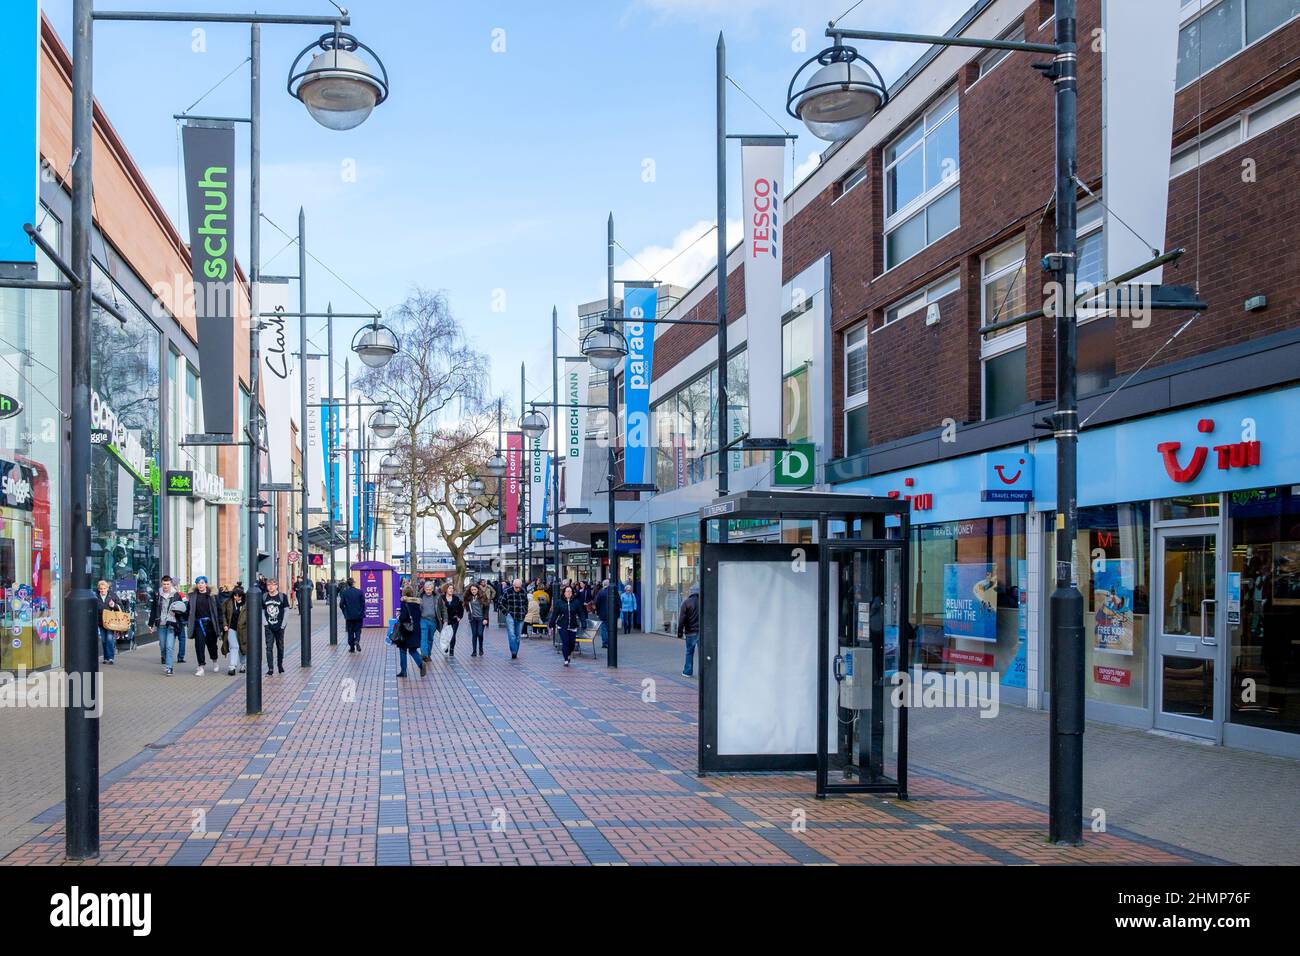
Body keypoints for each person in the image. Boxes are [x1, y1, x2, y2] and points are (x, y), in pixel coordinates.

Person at [187, 576, 222, 676]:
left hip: (210, 624)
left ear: (206, 584)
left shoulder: (212, 596)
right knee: (199, 646)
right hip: (198, 624)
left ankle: (215, 661)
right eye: (198, 583)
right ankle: (201, 667)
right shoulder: (193, 596)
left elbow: (219, 611)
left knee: (212, 646)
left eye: (202, 583)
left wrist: (220, 624)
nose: (200, 585)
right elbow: (189, 610)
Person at [148, 575, 183, 675]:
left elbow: (181, 610)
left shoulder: (176, 595)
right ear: (161, 584)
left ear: (171, 584)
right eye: (164, 584)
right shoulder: (157, 594)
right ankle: (164, 657)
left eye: (168, 584)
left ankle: (169, 667)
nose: (166, 586)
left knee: (169, 646)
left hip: (172, 624)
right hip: (161, 624)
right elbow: (154, 609)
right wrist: (151, 624)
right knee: (163, 646)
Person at [549, 584, 585, 666]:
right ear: (564, 593)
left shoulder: (576, 602)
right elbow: (555, 614)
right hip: (562, 625)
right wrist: (551, 624)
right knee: (565, 642)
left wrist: (583, 623)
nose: (569, 593)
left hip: (573, 625)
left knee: (572, 643)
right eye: (567, 591)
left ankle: (569, 654)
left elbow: (581, 613)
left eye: (570, 591)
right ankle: (566, 659)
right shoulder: (559, 602)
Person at [395, 583, 426, 678]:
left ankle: (403, 671)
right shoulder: (417, 603)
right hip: (416, 629)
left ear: (404, 593)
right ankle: (421, 663)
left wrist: (398, 616)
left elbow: (404, 617)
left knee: (402, 649)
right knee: (412, 650)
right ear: (412, 593)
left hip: (406, 630)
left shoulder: (404, 603)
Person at [262, 579, 290, 675]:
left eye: (273, 585)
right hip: (268, 626)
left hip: (280, 626)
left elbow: (286, 610)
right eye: (268, 585)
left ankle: (280, 665)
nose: (270, 587)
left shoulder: (282, 596)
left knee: (280, 647)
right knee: (269, 647)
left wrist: (283, 625)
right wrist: (265, 623)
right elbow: (262, 610)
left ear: (277, 586)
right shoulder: (264, 596)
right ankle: (270, 668)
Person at [499, 578, 529, 660]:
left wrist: (525, 611)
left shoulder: (523, 592)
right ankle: (514, 652)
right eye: (516, 587)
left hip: (521, 616)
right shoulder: (507, 592)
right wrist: (506, 612)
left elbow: (526, 603)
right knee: (512, 634)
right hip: (511, 615)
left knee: (518, 636)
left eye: (519, 587)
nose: (518, 589)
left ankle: (515, 651)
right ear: (513, 585)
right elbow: (500, 603)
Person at [223, 584, 248, 674]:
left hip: (243, 629)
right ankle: (232, 667)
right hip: (232, 628)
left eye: (238, 596)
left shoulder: (247, 604)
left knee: (243, 647)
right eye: (235, 595)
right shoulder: (228, 602)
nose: (236, 597)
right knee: (234, 646)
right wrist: (225, 624)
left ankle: (243, 665)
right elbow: (223, 614)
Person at [677, 583, 701, 678]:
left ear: (691, 592)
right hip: (701, 632)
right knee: (702, 654)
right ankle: (703, 673)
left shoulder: (686, 603)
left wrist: (679, 632)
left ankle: (687, 671)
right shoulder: (704, 602)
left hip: (690, 632)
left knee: (689, 652)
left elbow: (681, 619)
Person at [94, 580, 119, 665]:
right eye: (101, 589)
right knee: (104, 640)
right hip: (100, 622)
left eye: (104, 588)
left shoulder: (112, 595)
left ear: (107, 588)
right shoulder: (95, 596)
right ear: (99, 589)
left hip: (110, 622)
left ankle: (111, 658)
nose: (103, 590)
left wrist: (114, 605)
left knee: (109, 639)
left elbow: (120, 606)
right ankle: (105, 658)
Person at [436, 582, 464, 657]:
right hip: (444, 620)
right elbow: (438, 608)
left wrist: (459, 617)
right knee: (445, 635)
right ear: (446, 589)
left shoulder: (456, 598)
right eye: (449, 588)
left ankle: (452, 650)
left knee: (452, 635)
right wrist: (440, 618)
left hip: (454, 620)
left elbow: (461, 609)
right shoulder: (441, 598)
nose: (451, 590)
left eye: (452, 588)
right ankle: (446, 647)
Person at [338, 577, 365, 652]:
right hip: (358, 615)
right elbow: (363, 604)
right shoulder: (360, 592)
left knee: (350, 631)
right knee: (358, 630)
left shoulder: (345, 593)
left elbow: (341, 604)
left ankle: (352, 647)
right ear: (353, 583)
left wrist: (345, 612)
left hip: (349, 616)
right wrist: (362, 612)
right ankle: (357, 640)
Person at [418, 580, 439, 662]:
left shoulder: (437, 597)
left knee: (430, 639)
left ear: (433, 589)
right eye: (427, 589)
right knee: (423, 638)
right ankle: (424, 655)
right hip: (423, 620)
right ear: (424, 589)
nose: (428, 591)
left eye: (430, 589)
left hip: (433, 621)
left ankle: (428, 654)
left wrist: (445, 620)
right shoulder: (420, 596)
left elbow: (442, 609)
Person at [465, 582, 487, 657]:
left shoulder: (482, 596)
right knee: (474, 634)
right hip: (473, 619)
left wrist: (485, 618)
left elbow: (486, 608)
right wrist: (469, 614)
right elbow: (466, 606)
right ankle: (474, 651)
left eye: (475, 589)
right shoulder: (469, 597)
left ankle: (481, 648)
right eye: (472, 590)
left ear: (478, 589)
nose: (473, 591)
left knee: (480, 634)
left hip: (481, 618)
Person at [594, 579, 614, 649]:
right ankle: (611, 642)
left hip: (602, 613)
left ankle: (605, 643)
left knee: (604, 628)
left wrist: (597, 611)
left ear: (603, 584)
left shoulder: (601, 592)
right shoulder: (613, 591)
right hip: (612, 613)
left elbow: (597, 603)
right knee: (610, 628)